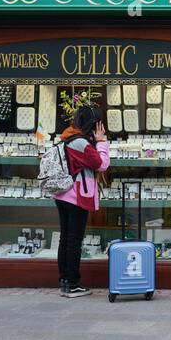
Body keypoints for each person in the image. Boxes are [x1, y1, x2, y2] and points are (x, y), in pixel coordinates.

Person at [52, 105, 110, 298]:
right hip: (76, 194)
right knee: (74, 240)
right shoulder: (81, 143)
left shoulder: (67, 136)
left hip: (63, 194)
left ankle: (64, 280)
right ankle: (73, 283)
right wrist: (101, 142)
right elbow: (101, 164)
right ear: (93, 124)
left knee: (66, 238)